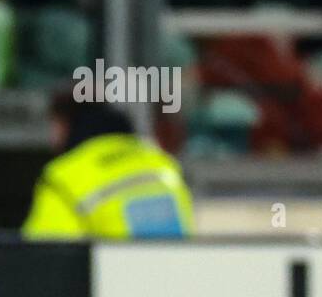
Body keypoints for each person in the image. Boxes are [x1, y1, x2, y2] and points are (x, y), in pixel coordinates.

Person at [22, 95, 194, 239]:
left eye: (55, 127)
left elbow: (44, 251)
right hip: (172, 273)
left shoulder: (64, 176)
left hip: (108, 277)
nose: (53, 138)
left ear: (68, 124)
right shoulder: (161, 162)